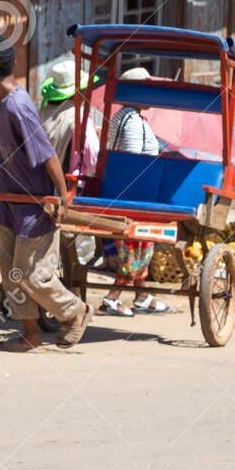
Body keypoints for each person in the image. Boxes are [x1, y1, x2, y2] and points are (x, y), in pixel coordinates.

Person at [0, 45, 92, 352]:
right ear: (14, 62)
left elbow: (47, 153)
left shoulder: (19, 106)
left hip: (35, 204)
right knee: (12, 275)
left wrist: (62, 197)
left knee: (33, 275)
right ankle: (31, 333)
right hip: (9, 202)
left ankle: (75, 310)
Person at [97, 67, 168, 318]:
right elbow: (132, 163)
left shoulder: (124, 116)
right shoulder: (133, 122)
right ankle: (112, 297)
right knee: (137, 245)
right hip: (133, 196)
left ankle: (141, 295)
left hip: (124, 191)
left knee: (140, 245)